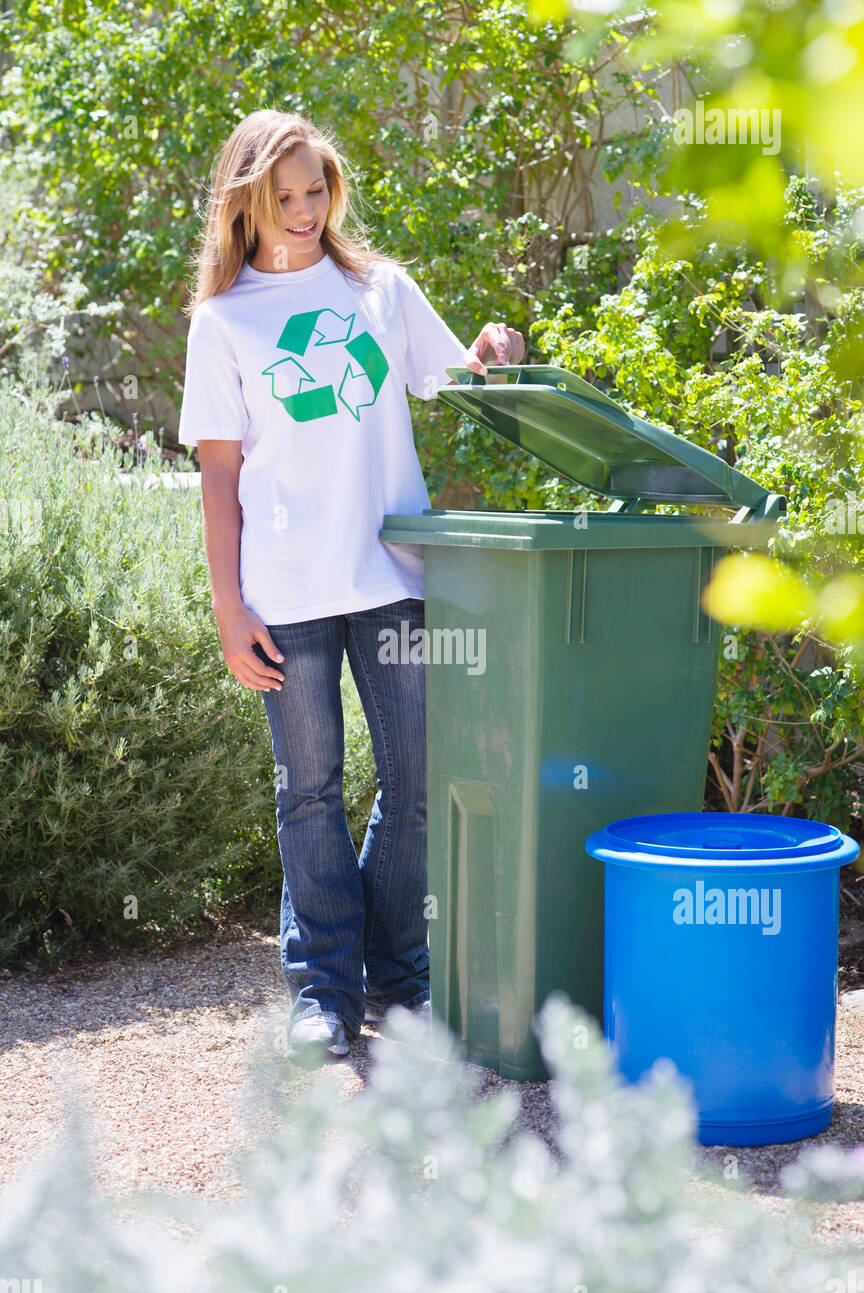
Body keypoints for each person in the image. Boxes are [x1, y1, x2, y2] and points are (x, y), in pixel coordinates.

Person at [178, 109, 524, 1061]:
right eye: (281, 195)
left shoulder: (380, 289)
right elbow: (217, 474)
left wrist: (492, 354)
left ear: (332, 188)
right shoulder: (224, 323)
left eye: (314, 189)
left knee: (416, 781)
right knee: (308, 791)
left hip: (391, 574)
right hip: (282, 591)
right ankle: (323, 991)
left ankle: (396, 971)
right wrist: (227, 605)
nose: (301, 209)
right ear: (246, 202)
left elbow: (455, 381)